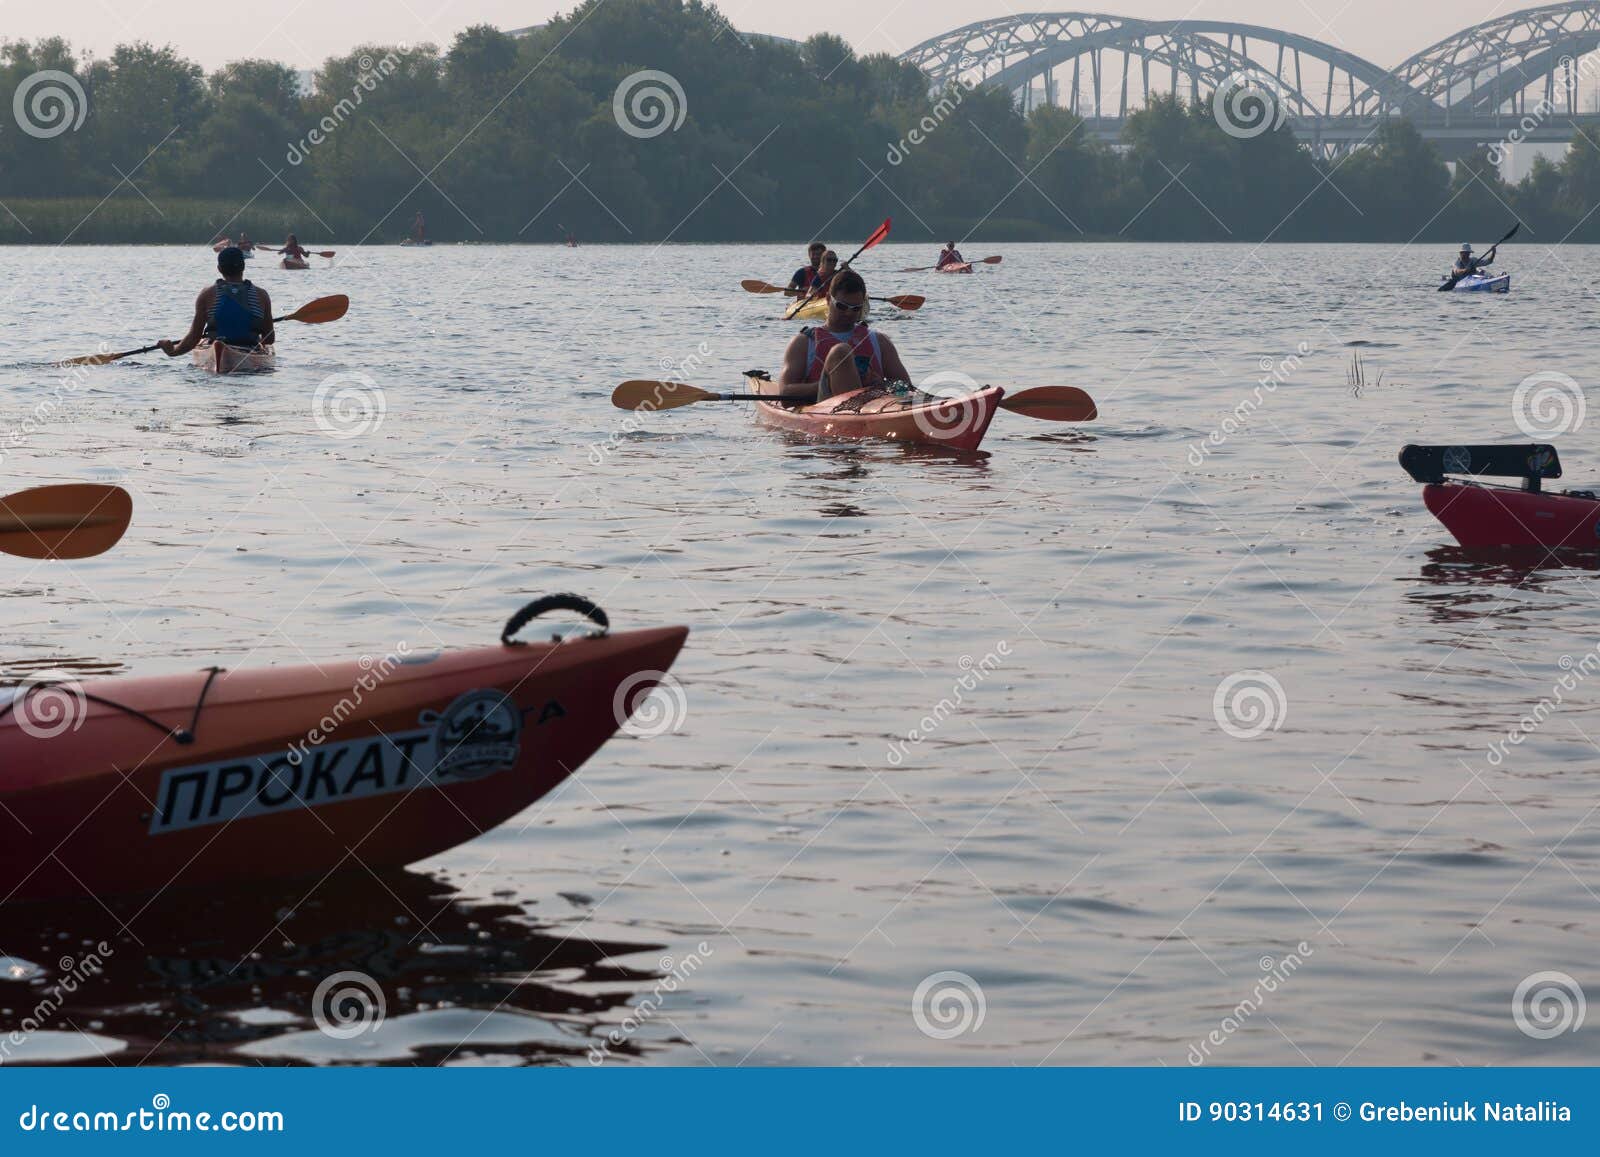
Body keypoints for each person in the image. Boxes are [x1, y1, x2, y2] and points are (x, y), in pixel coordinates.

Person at [776, 269, 910, 404]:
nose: (848, 313)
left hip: (872, 407)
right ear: (828, 299)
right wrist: (832, 382)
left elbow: (907, 388)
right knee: (840, 352)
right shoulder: (804, 342)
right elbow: (785, 393)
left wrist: (882, 385)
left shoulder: (880, 341)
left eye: (856, 308)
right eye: (841, 306)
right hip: (823, 407)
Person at [157, 247, 275, 359]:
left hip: (216, 347)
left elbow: (194, 338)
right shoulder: (261, 295)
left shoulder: (207, 294)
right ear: (243, 267)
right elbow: (269, 339)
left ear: (219, 268)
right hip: (249, 350)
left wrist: (173, 351)